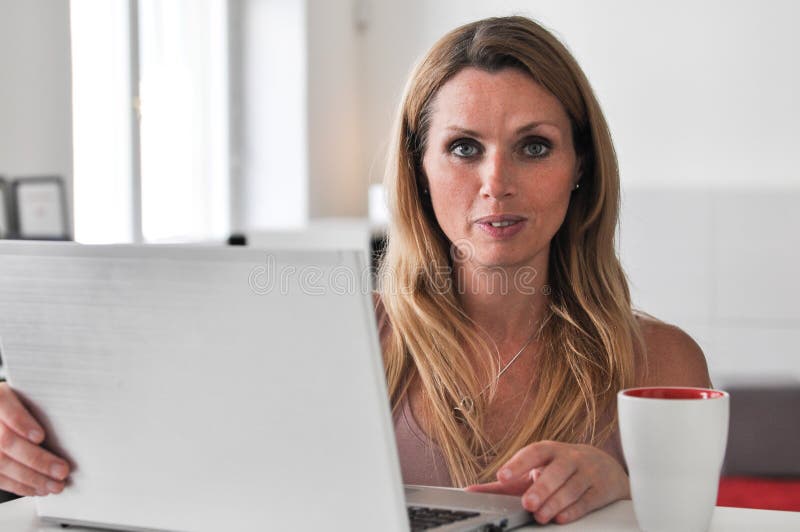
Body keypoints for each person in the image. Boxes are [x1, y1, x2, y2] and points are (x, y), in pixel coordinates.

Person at [0, 14, 710, 526]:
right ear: (419, 171)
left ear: (580, 166)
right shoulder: (337, 340)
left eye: (534, 146)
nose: (496, 183)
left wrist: (623, 489)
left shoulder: (663, 364)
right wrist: (28, 431)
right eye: (464, 148)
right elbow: (177, 467)